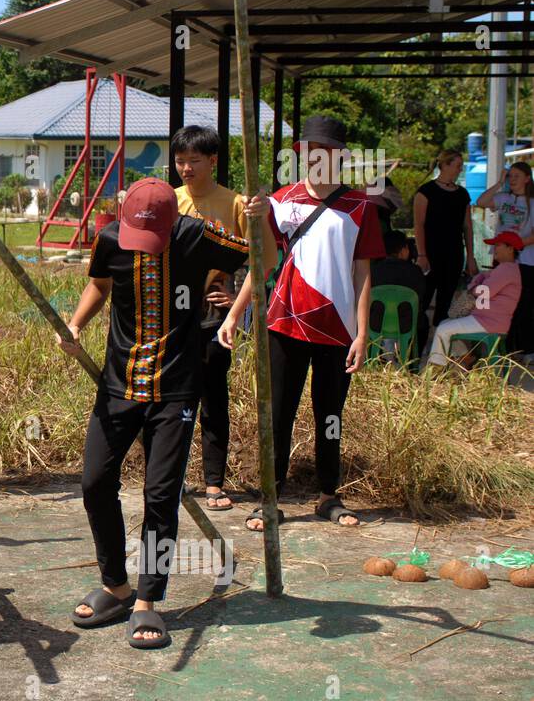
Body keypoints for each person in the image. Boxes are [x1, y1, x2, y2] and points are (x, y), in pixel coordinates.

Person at [57, 178, 248, 650]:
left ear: (173, 221)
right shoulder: (108, 239)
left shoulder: (197, 234)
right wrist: (76, 324)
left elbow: (257, 256)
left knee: (159, 493)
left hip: (177, 389)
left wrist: (233, 309)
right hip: (119, 383)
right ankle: (115, 586)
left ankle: (147, 601)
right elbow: (99, 286)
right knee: (95, 482)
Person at [219, 115, 385, 531]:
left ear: (342, 157)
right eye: (310, 151)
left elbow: (363, 273)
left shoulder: (362, 206)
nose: (317, 158)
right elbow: (263, 264)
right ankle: (270, 497)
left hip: (338, 329)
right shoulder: (279, 200)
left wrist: (363, 333)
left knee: (330, 414)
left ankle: (328, 494)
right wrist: (235, 313)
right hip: (283, 325)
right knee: (277, 413)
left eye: (326, 151)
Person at [170, 125, 275, 511]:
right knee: (171, 400)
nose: (185, 168)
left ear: (212, 161)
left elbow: (265, 261)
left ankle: (214, 481)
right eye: (180, 161)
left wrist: (235, 307)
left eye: (194, 161)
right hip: (171, 315)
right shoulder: (170, 201)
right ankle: (172, 475)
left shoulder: (237, 204)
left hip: (214, 316)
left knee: (213, 398)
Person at [425, 231, 522, 367]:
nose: (494, 249)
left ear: (510, 248)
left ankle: (434, 371)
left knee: (443, 329)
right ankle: (466, 357)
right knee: (445, 324)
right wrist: (480, 282)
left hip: (490, 321)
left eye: (498, 245)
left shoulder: (506, 268)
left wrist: (474, 287)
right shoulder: (509, 269)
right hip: (490, 320)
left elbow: (484, 292)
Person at [414, 149, 478, 330]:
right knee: (423, 301)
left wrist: (471, 256)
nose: (460, 170)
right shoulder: (425, 191)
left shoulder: (462, 194)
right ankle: (416, 346)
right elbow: (418, 224)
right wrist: (421, 254)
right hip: (431, 253)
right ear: (446, 165)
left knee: (446, 302)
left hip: (454, 254)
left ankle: (438, 347)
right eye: (458, 166)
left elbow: (467, 226)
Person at [477, 161, 534, 355]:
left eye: (517, 176)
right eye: (511, 176)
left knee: (523, 304)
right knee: (497, 299)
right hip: (502, 258)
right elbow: (481, 202)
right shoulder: (503, 198)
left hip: (525, 260)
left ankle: (524, 348)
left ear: (527, 178)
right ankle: (500, 346)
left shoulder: (532, 202)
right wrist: (498, 183)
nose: (513, 179)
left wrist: (517, 245)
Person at [370, 229, 428, 366]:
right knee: (423, 320)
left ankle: (375, 358)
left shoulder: (373, 271)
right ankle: (412, 362)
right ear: (403, 250)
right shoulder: (415, 272)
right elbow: (421, 299)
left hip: (375, 325)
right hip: (407, 325)